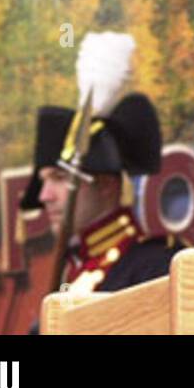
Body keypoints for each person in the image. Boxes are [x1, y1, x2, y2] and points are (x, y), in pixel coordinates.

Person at [22, 94, 179, 302]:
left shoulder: (154, 269)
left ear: (106, 185)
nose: (44, 195)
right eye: (44, 181)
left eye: (59, 178)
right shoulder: (72, 271)